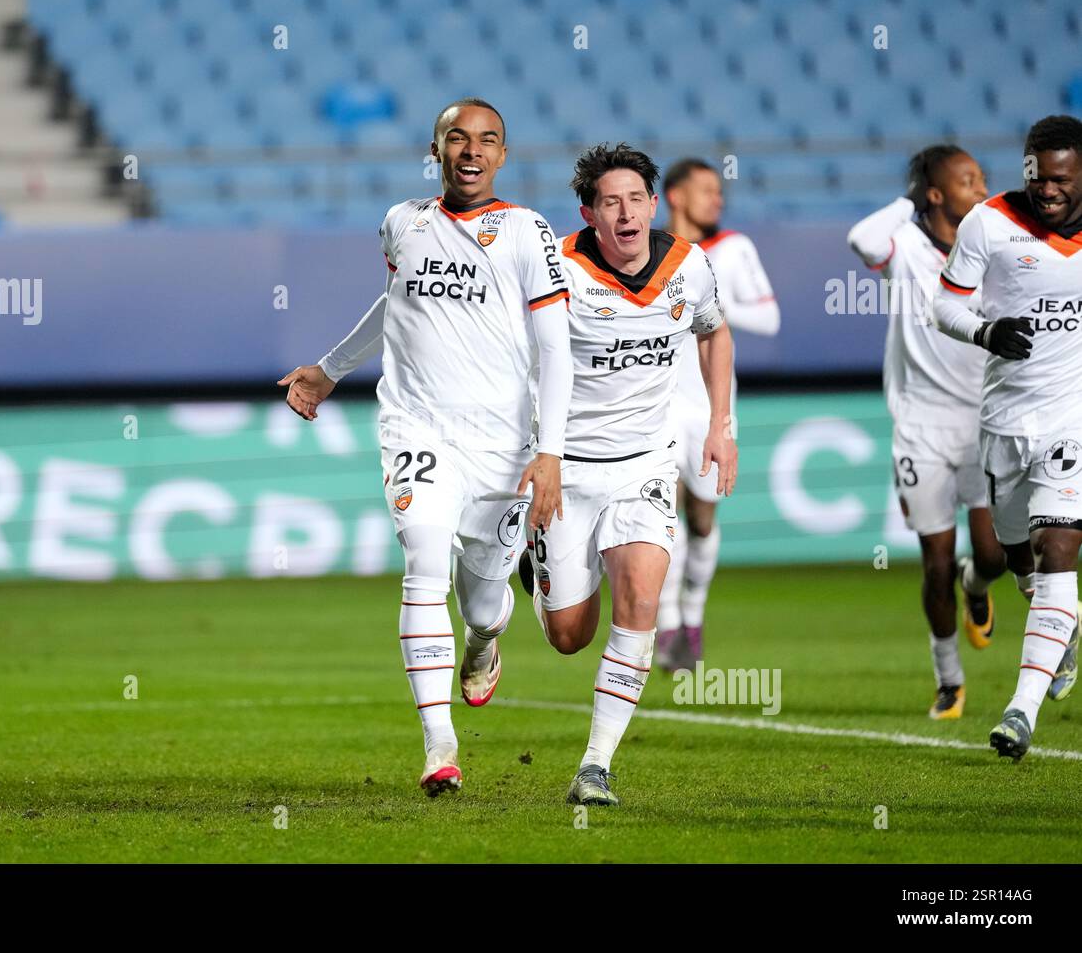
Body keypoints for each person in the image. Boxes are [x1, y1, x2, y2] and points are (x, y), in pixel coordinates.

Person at [278, 98, 573, 794]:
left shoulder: (529, 232)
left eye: (487, 140)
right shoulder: (402, 223)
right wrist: (327, 371)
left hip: (504, 444)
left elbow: (556, 348)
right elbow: (399, 303)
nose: (472, 151)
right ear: (434, 149)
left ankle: (484, 642)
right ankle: (439, 744)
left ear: (503, 155)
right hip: (418, 430)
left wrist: (551, 452)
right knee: (422, 559)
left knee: (481, 600)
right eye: (457, 138)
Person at [522, 143, 735, 805]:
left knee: (641, 597)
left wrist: (721, 427)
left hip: (645, 464)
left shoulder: (687, 265)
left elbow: (715, 332)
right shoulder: (558, 269)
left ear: (652, 203)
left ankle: (596, 766)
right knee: (568, 635)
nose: (625, 212)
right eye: (609, 202)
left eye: (635, 198)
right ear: (589, 212)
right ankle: (530, 569)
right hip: (566, 470)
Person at [930, 115, 1082, 759]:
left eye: (1060, 179)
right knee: (1017, 558)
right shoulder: (989, 224)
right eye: (1036, 176)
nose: (1045, 189)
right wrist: (985, 333)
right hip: (1003, 422)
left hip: (1070, 418)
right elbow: (943, 305)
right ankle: (1062, 632)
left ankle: (1019, 713)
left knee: (1058, 548)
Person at [847, 145, 1005, 719]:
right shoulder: (908, 246)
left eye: (983, 178)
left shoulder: (991, 248)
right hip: (919, 426)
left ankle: (979, 587)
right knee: (934, 559)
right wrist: (906, 200)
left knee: (993, 553)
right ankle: (949, 678)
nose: (982, 188)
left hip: (983, 420)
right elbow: (863, 239)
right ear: (934, 194)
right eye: (968, 180)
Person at [655, 158, 780, 671]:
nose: (718, 200)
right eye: (707, 191)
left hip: (712, 406)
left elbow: (769, 318)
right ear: (677, 196)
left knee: (702, 520)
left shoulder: (734, 250)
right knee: (664, 516)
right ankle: (666, 627)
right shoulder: (649, 251)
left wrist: (708, 302)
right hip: (659, 406)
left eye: (719, 191)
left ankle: (693, 613)